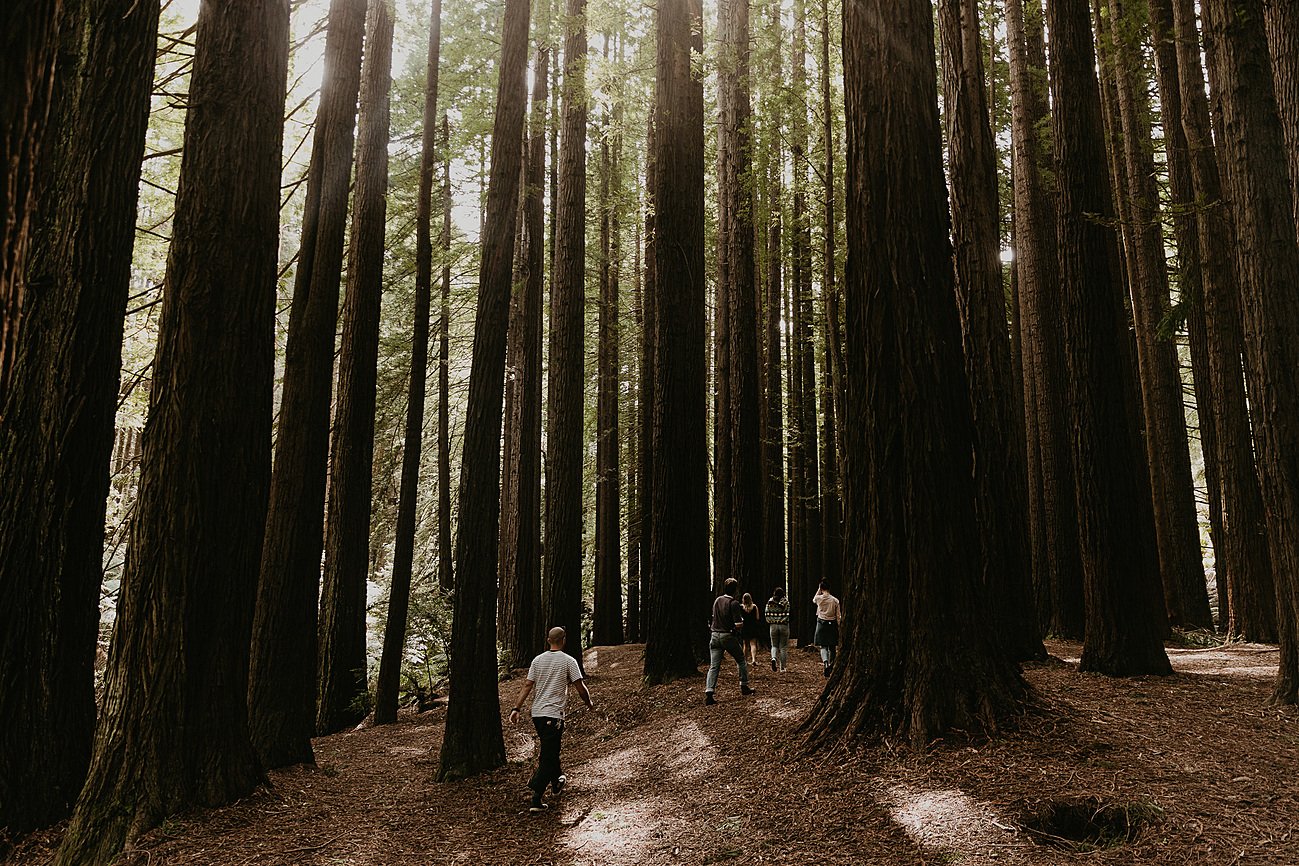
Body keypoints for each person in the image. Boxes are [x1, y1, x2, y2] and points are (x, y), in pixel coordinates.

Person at [509, 626, 593, 813]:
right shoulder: (568, 661)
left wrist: (517, 708)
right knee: (548, 756)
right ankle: (536, 798)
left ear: (548, 641)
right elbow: (580, 687)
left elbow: (527, 685)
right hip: (553, 715)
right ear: (564, 640)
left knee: (550, 750)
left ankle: (557, 781)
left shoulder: (537, 660)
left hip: (537, 715)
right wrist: (589, 703)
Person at [705, 578, 754, 705]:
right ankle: (744, 686)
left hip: (714, 636)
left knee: (714, 666)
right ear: (735, 590)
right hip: (727, 636)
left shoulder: (717, 600)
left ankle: (709, 693)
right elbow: (738, 624)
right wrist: (741, 622)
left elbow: (713, 617)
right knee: (741, 659)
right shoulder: (733, 603)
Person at [812, 581, 840, 677]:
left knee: (823, 646)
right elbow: (838, 615)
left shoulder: (819, 599)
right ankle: (831, 666)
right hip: (832, 623)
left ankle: (825, 663)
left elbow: (814, 600)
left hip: (821, 623)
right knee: (832, 647)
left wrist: (818, 590)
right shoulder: (835, 600)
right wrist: (839, 625)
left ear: (821, 588)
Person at [765, 586, 790, 672]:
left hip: (773, 626)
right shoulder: (786, 602)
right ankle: (782, 668)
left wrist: (770, 620)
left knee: (774, 645)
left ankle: (774, 658)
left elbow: (766, 613)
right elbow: (788, 612)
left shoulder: (770, 602)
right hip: (784, 625)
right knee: (783, 647)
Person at [740, 592, 763, 665]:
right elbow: (757, 617)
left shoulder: (741, 607)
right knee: (753, 644)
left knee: (745, 645)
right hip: (753, 627)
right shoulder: (754, 607)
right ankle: (753, 660)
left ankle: (745, 660)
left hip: (745, 627)